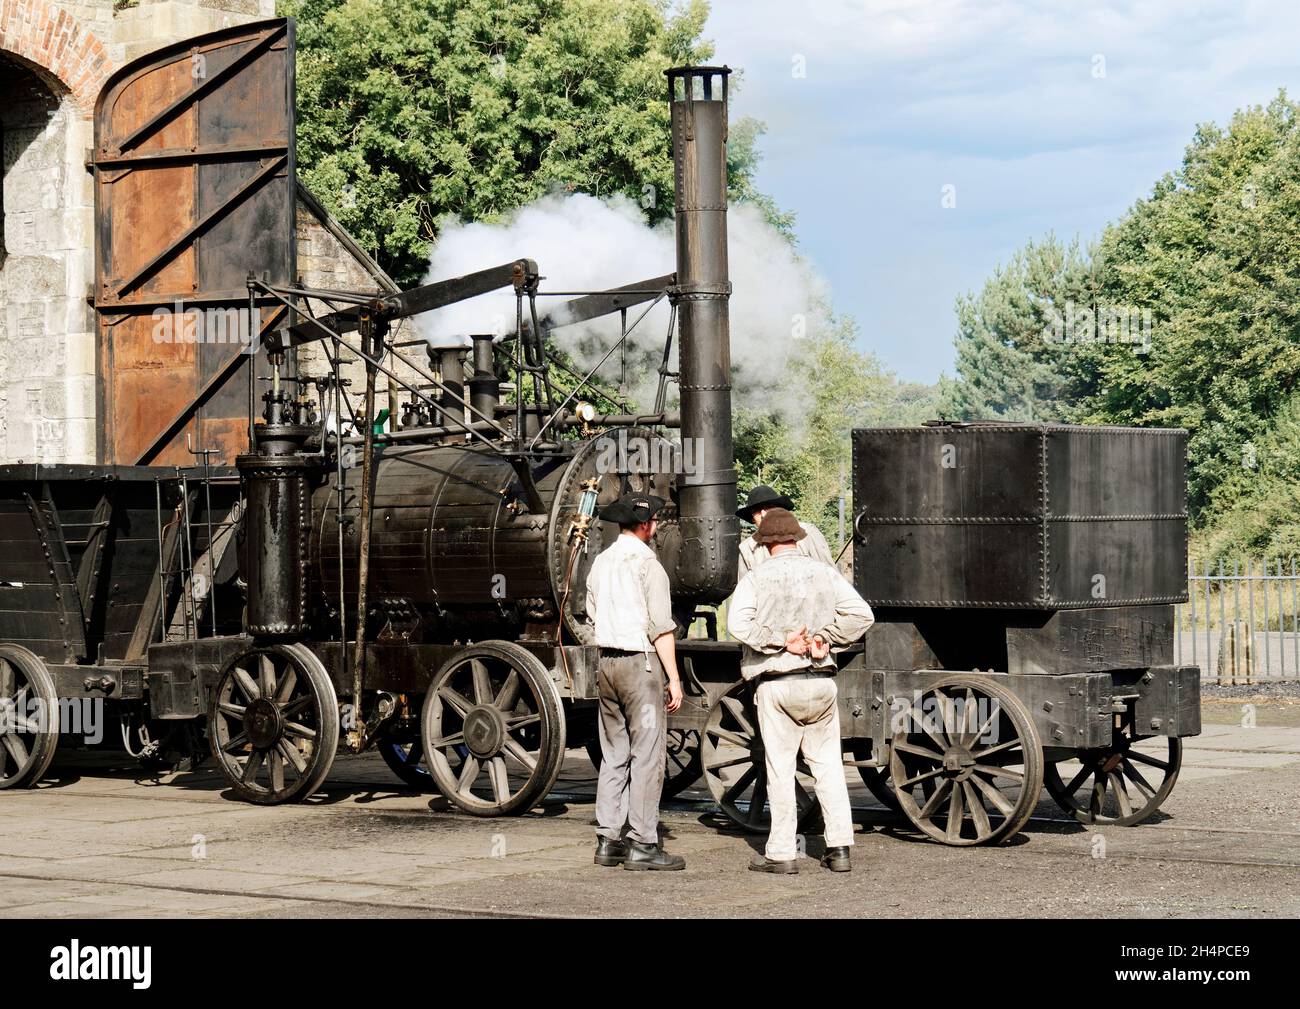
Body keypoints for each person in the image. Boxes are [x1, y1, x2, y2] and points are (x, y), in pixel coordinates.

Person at [727, 507, 874, 874]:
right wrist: (826, 638)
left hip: (779, 685)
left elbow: (737, 624)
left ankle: (781, 854)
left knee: (780, 769)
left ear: (764, 543)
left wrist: (780, 642)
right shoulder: (824, 573)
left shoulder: (757, 578)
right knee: (829, 768)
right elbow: (862, 615)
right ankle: (839, 849)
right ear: (797, 539)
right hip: (821, 683)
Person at [584, 492, 686, 871]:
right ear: (645, 525)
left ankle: (608, 841)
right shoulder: (649, 566)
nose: (656, 527)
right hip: (639, 668)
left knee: (614, 754)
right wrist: (674, 679)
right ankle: (643, 842)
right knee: (647, 755)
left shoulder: (601, 562)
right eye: (655, 521)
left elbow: (592, 612)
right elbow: (661, 629)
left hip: (606, 665)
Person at [736, 484, 834, 577]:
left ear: (779, 509)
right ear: (752, 518)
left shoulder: (808, 532)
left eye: (769, 507)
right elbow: (744, 589)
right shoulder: (747, 548)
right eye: (757, 510)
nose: (763, 514)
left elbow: (830, 574)